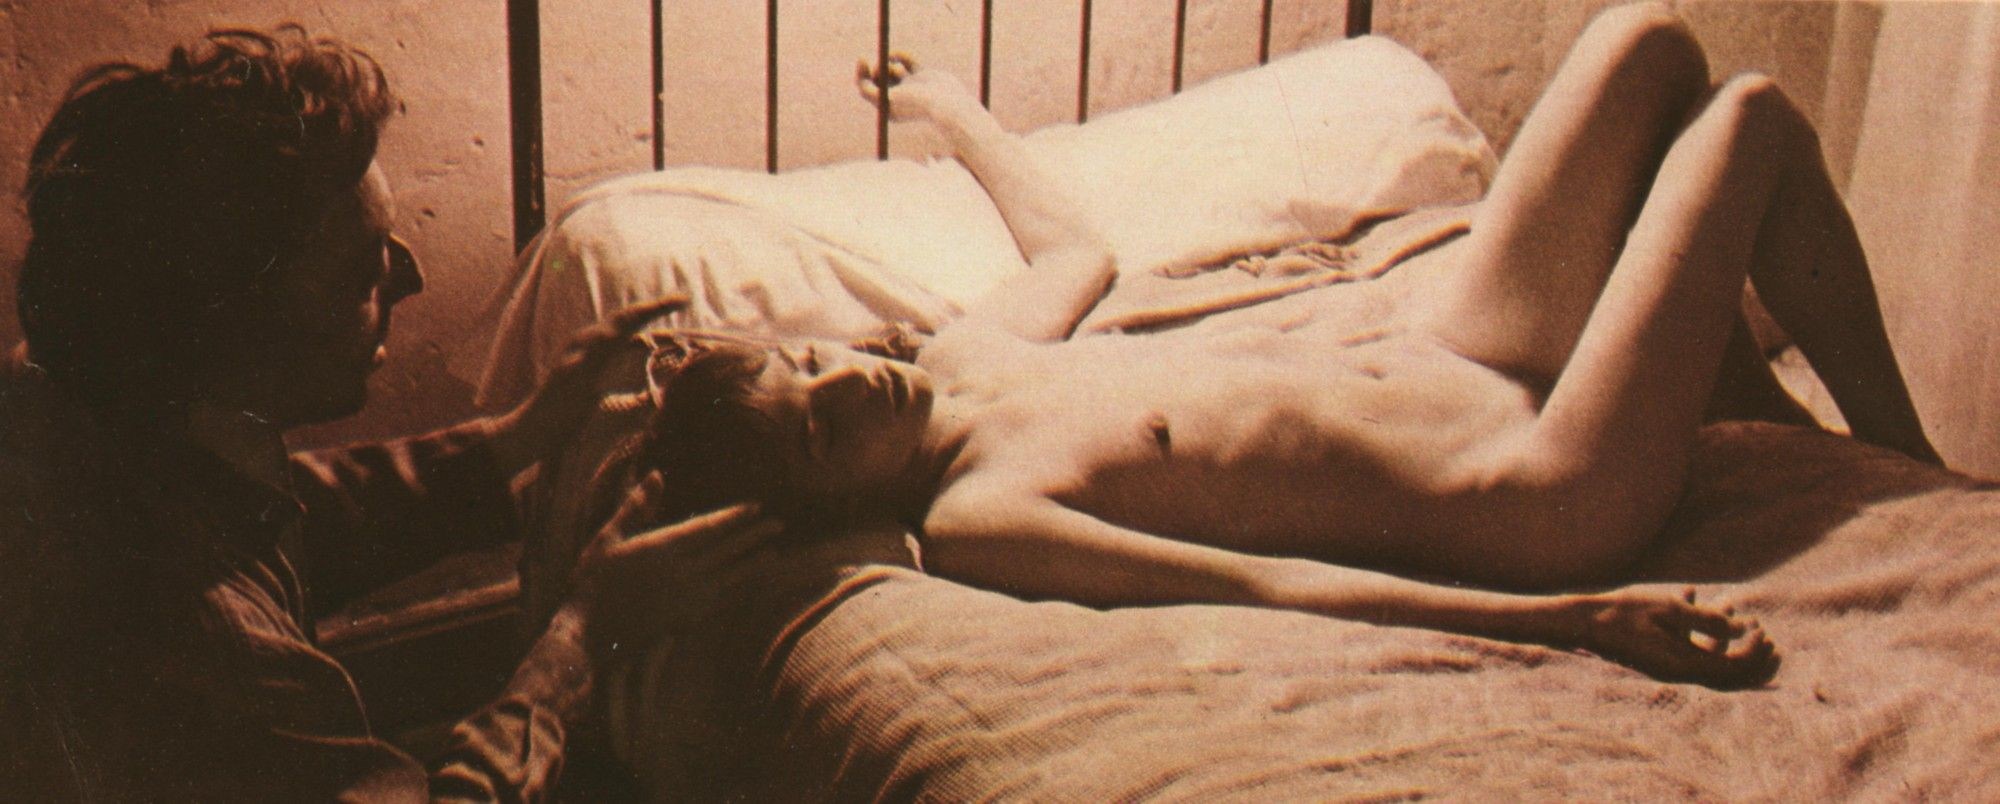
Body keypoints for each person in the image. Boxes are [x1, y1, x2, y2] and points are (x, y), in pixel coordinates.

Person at [619, 4, 1945, 689]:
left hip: (1462, 356)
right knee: (1750, 115)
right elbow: (1268, 589)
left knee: (1646, 44)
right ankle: (1901, 450)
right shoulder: (981, 515)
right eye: (824, 427)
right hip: (1541, 489)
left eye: (813, 363)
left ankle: (1756, 398)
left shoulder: (964, 356)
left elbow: (1076, 256)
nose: (853, 380)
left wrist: (958, 117)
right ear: (827, 503)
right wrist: (1578, 619)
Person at [0, 27, 792, 800]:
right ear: (224, 320)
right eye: (359, 269)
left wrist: (517, 438)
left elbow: (274, 522)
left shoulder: (83, 404)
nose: (409, 277)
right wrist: (578, 641)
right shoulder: (201, 641)